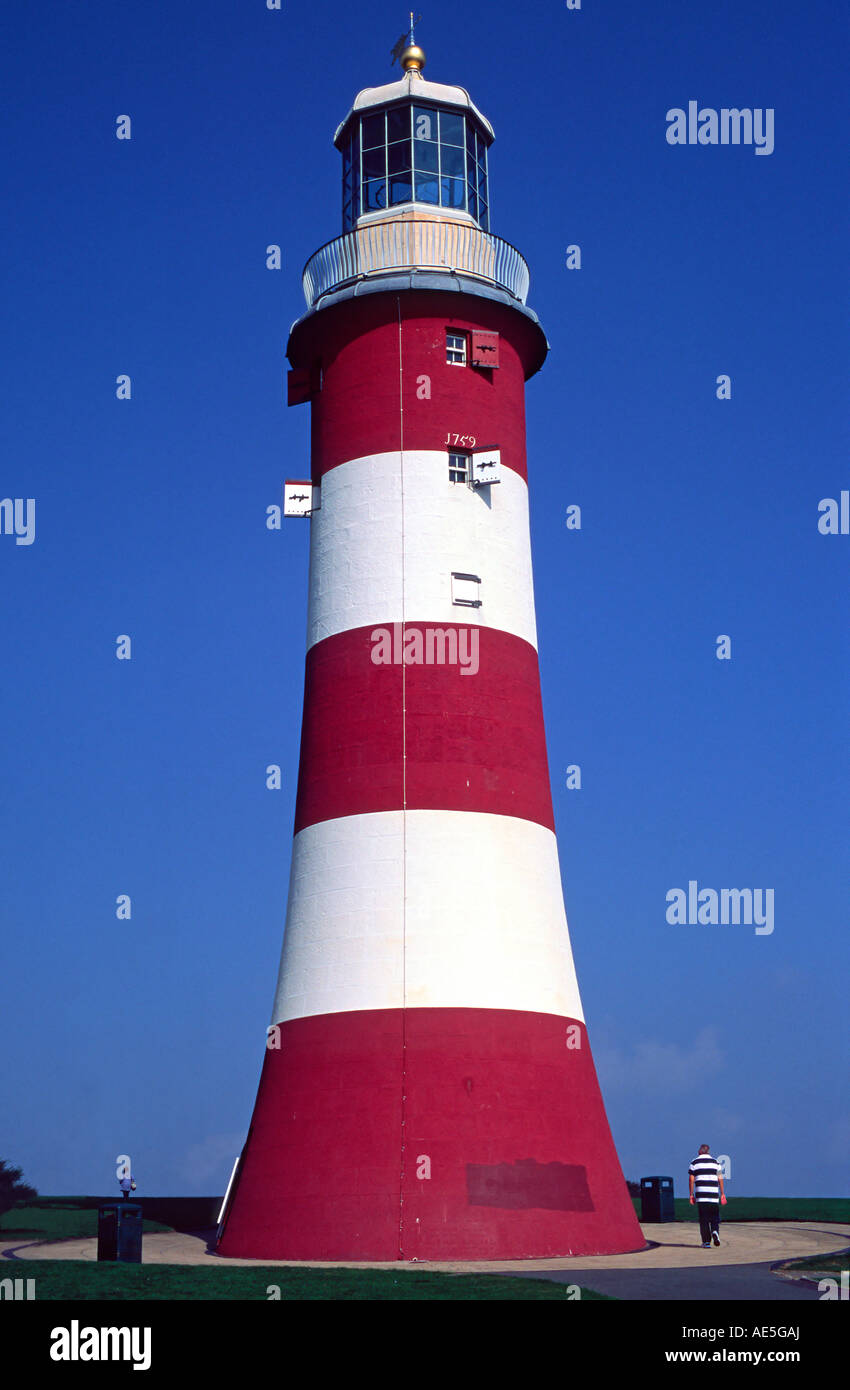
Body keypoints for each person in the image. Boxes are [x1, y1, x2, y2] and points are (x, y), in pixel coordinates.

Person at [688, 1144, 726, 1247]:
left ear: (700, 1152)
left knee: (704, 1219)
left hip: (701, 1196)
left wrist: (691, 1195)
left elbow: (691, 1179)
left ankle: (706, 1242)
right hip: (713, 1196)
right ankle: (715, 1231)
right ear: (708, 1151)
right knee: (714, 1218)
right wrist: (722, 1194)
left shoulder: (694, 1162)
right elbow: (720, 1178)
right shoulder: (716, 1162)